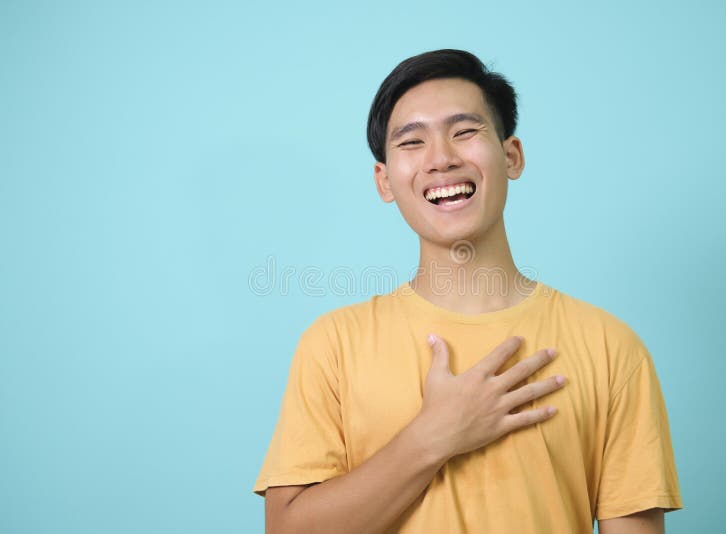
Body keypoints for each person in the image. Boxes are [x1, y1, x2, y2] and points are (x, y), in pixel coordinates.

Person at [252, 49, 682, 533]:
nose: (441, 159)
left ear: (511, 156)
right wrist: (431, 438)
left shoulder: (611, 347)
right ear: (384, 181)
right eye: (412, 142)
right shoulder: (332, 346)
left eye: (464, 132)